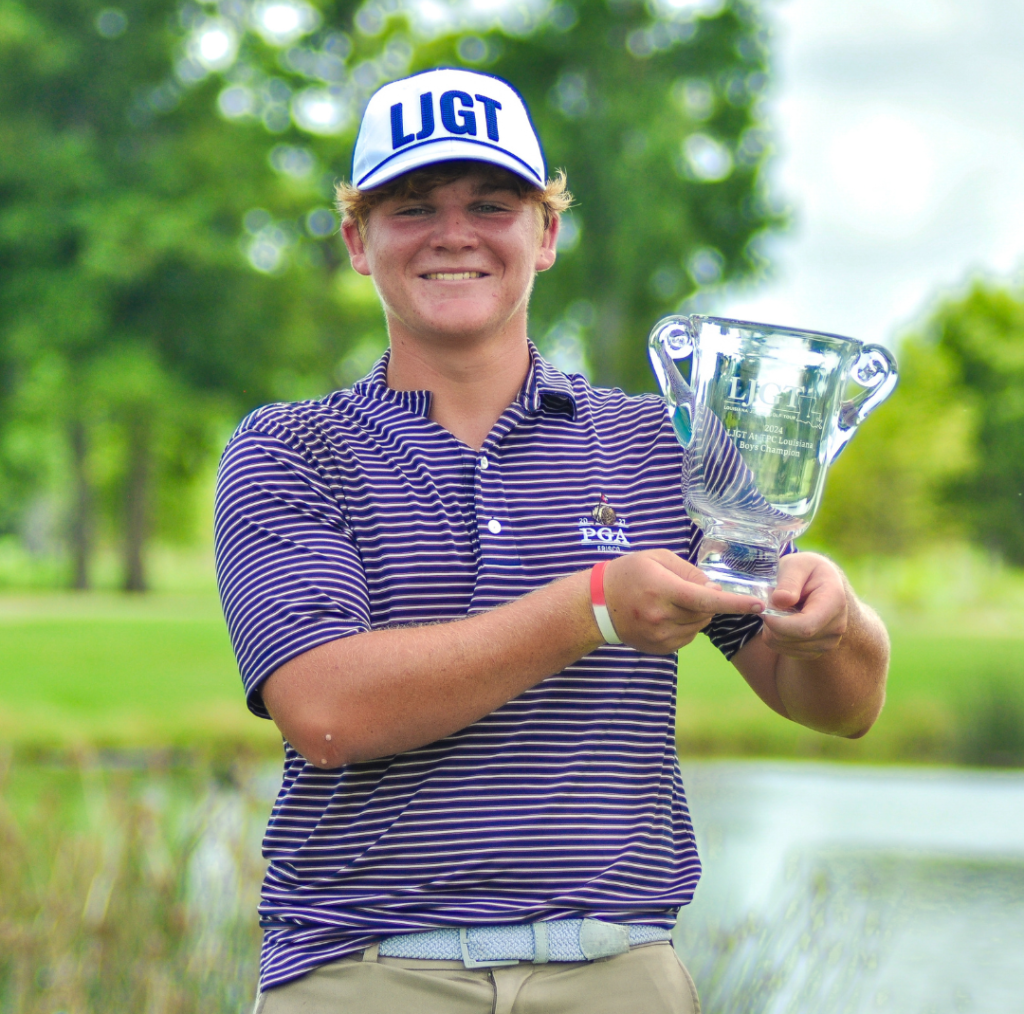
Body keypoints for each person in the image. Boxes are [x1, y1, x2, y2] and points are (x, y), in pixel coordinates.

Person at [214, 67, 889, 1014]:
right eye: (414, 207)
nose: (454, 233)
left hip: (619, 971)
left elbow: (840, 707)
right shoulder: (290, 449)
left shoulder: (661, 442)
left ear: (547, 234)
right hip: (366, 971)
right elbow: (327, 713)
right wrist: (593, 608)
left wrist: (835, 625)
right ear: (359, 242)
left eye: (492, 204)